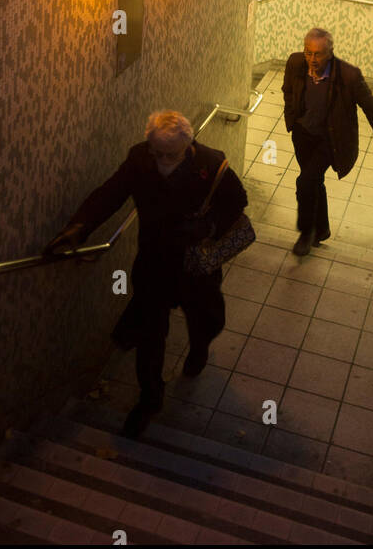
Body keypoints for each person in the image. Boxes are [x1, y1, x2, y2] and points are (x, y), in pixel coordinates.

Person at [44, 110, 248, 437]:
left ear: (189, 145)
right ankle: (150, 397)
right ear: (149, 145)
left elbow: (237, 203)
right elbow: (110, 194)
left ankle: (199, 347)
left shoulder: (213, 166)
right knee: (150, 335)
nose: (163, 161)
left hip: (196, 266)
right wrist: (78, 228)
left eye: (172, 155)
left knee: (207, 319)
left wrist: (207, 227)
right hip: (154, 262)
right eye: (158, 153)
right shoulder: (140, 159)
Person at [282, 29, 373, 256]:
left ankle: (307, 232)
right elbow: (288, 91)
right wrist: (292, 117)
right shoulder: (295, 62)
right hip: (303, 133)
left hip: (329, 139)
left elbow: (369, 105)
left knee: (305, 182)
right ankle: (322, 229)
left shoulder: (349, 76)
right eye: (308, 53)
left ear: (330, 53)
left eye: (318, 54)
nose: (312, 59)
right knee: (314, 181)